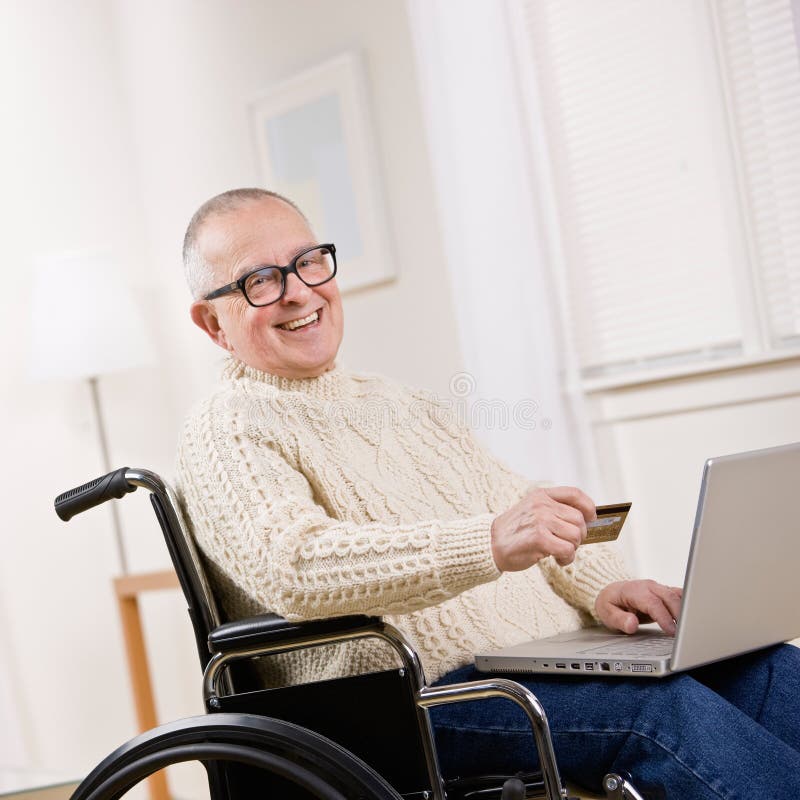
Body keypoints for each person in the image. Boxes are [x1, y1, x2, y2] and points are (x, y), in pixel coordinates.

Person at [176, 188, 800, 798]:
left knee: (767, 667)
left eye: (308, 261)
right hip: (415, 699)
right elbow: (296, 566)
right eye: (262, 279)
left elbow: (520, 504)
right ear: (212, 321)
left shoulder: (399, 403)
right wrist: (490, 539)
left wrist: (602, 586)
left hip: (532, 662)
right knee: (663, 710)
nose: (301, 291)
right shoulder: (225, 427)